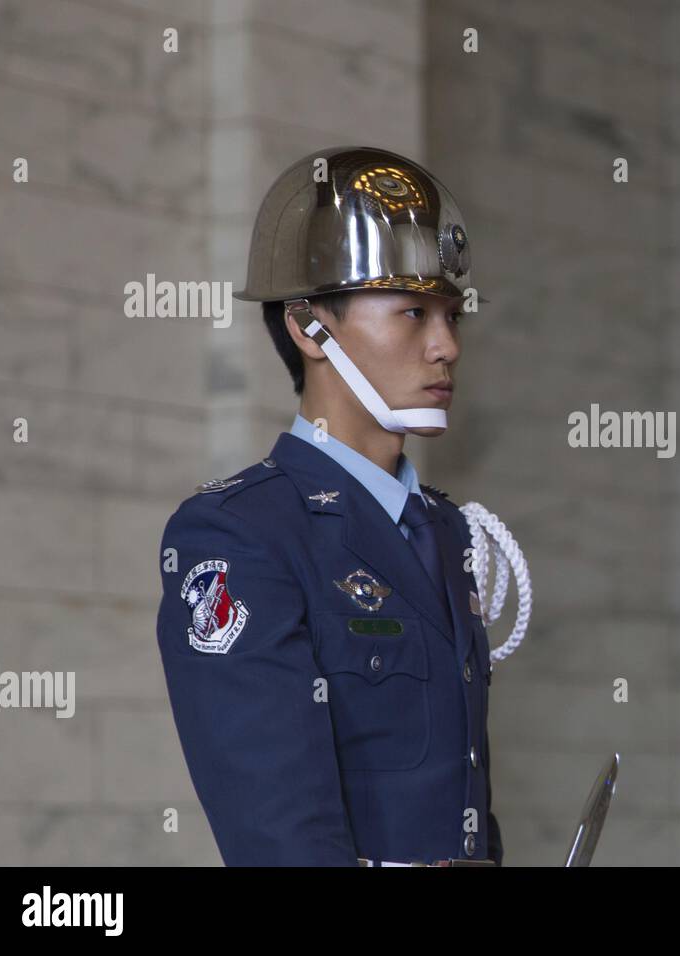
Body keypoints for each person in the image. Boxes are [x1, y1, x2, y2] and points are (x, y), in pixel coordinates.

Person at [155, 146, 503, 866]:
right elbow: (279, 837)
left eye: (452, 316)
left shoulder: (442, 529)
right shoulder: (240, 535)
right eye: (412, 312)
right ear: (310, 328)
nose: (446, 347)